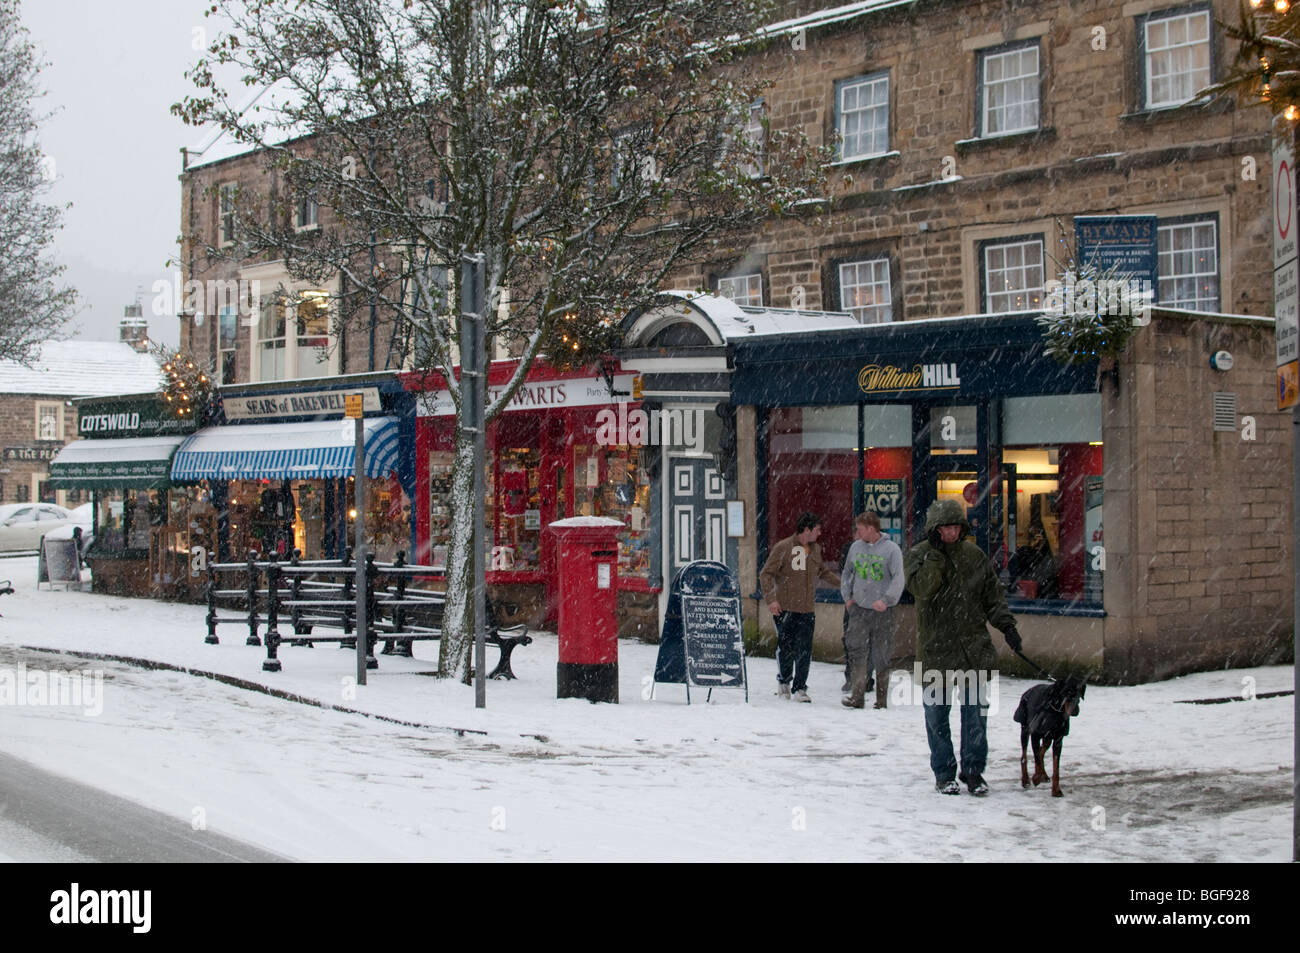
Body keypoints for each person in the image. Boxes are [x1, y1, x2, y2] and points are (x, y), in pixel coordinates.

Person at [904, 499, 1022, 796]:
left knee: (976, 715)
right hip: (936, 650)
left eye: (956, 526)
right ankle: (944, 773)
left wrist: (1006, 626)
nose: (951, 533)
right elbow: (922, 589)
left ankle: (973, 771)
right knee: (936, 716)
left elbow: (991, 596)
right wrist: (935, 557)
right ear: (934, 529)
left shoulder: (974, 555)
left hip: (973, 649)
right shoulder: (918, 555)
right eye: (945, 527)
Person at [759, 512, 841, 702]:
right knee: (786, 647)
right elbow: (766, 574)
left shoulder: (815, 550)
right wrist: (771, 599)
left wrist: (842, 585)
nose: (819, 534)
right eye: (817, 529)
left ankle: (800, 687)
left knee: (805, 649)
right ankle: (784, 681)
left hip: (807, 609)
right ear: (807, 529)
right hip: (785, 608)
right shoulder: (784, 547)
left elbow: (823, 571)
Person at [840, 511, 904, 709]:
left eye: (860, 529)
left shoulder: (891, 550)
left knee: (881, 655)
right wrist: (848, 598)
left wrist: (887, 600)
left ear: (871, 528)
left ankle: (881, 699)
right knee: (857, 651)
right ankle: (857, 695)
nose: (857, 533)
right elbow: (847, 573)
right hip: (858, 609)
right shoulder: (855, 548)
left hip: (881, 611)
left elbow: (898, 578)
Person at [1007, 524, 1058, 599]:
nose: (1037, 540)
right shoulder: (1027, 552)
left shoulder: (1042, 554)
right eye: (1035, 537)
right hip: (1034, 581)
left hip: (1037, 582)